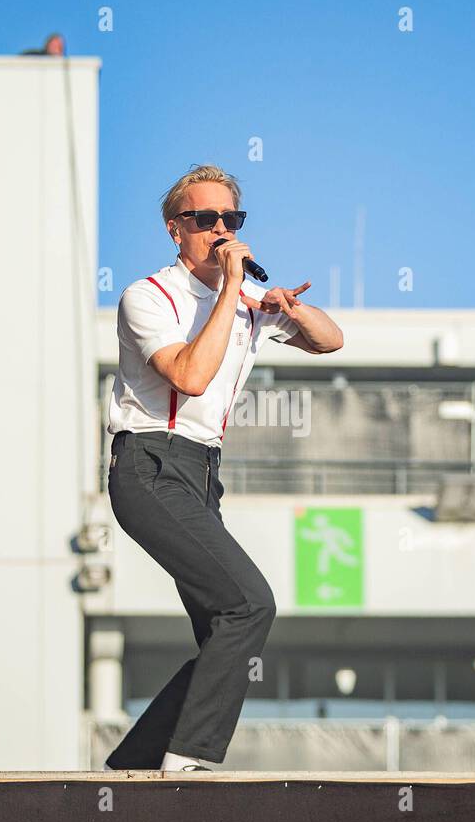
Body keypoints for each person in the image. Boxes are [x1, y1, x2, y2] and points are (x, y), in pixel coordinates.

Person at [103, 164, 343, 771]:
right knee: (250, 603)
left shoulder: (249, 303)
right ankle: (191, 757)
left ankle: (134, 765)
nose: (217, 230)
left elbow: (330, 339)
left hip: (204, 474)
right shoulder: (148, 296)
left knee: (222, 635)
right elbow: (189, 375)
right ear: (174, 229)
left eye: (228, 220)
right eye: (202, 219)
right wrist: (235, 293)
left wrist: (283, 304)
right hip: (149, 463)